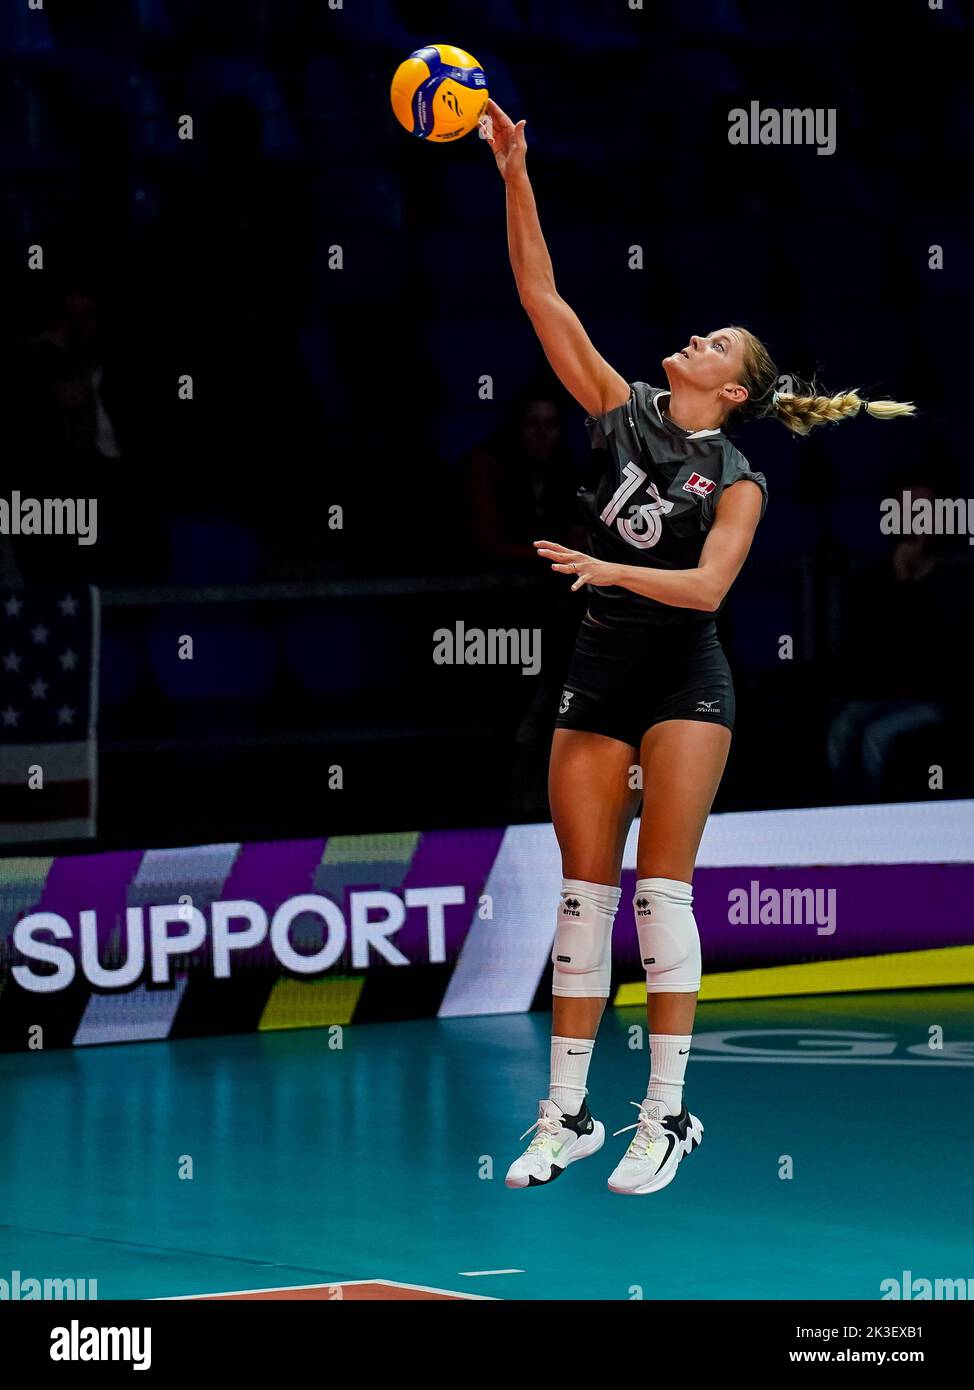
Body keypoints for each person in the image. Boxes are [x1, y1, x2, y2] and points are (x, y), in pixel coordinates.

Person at [482, 99, 916, 1195]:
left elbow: (708, 588)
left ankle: (665, 1117)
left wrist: (606, 569)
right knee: (580, 899)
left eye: (715, 344)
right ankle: (564, 1114)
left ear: (731, 390)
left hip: (684, 678)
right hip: (600, 671)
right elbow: (540, 296)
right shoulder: (619, 409)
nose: (694, 337)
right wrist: (512, 171)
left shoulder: (736, 479)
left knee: (656, 896)